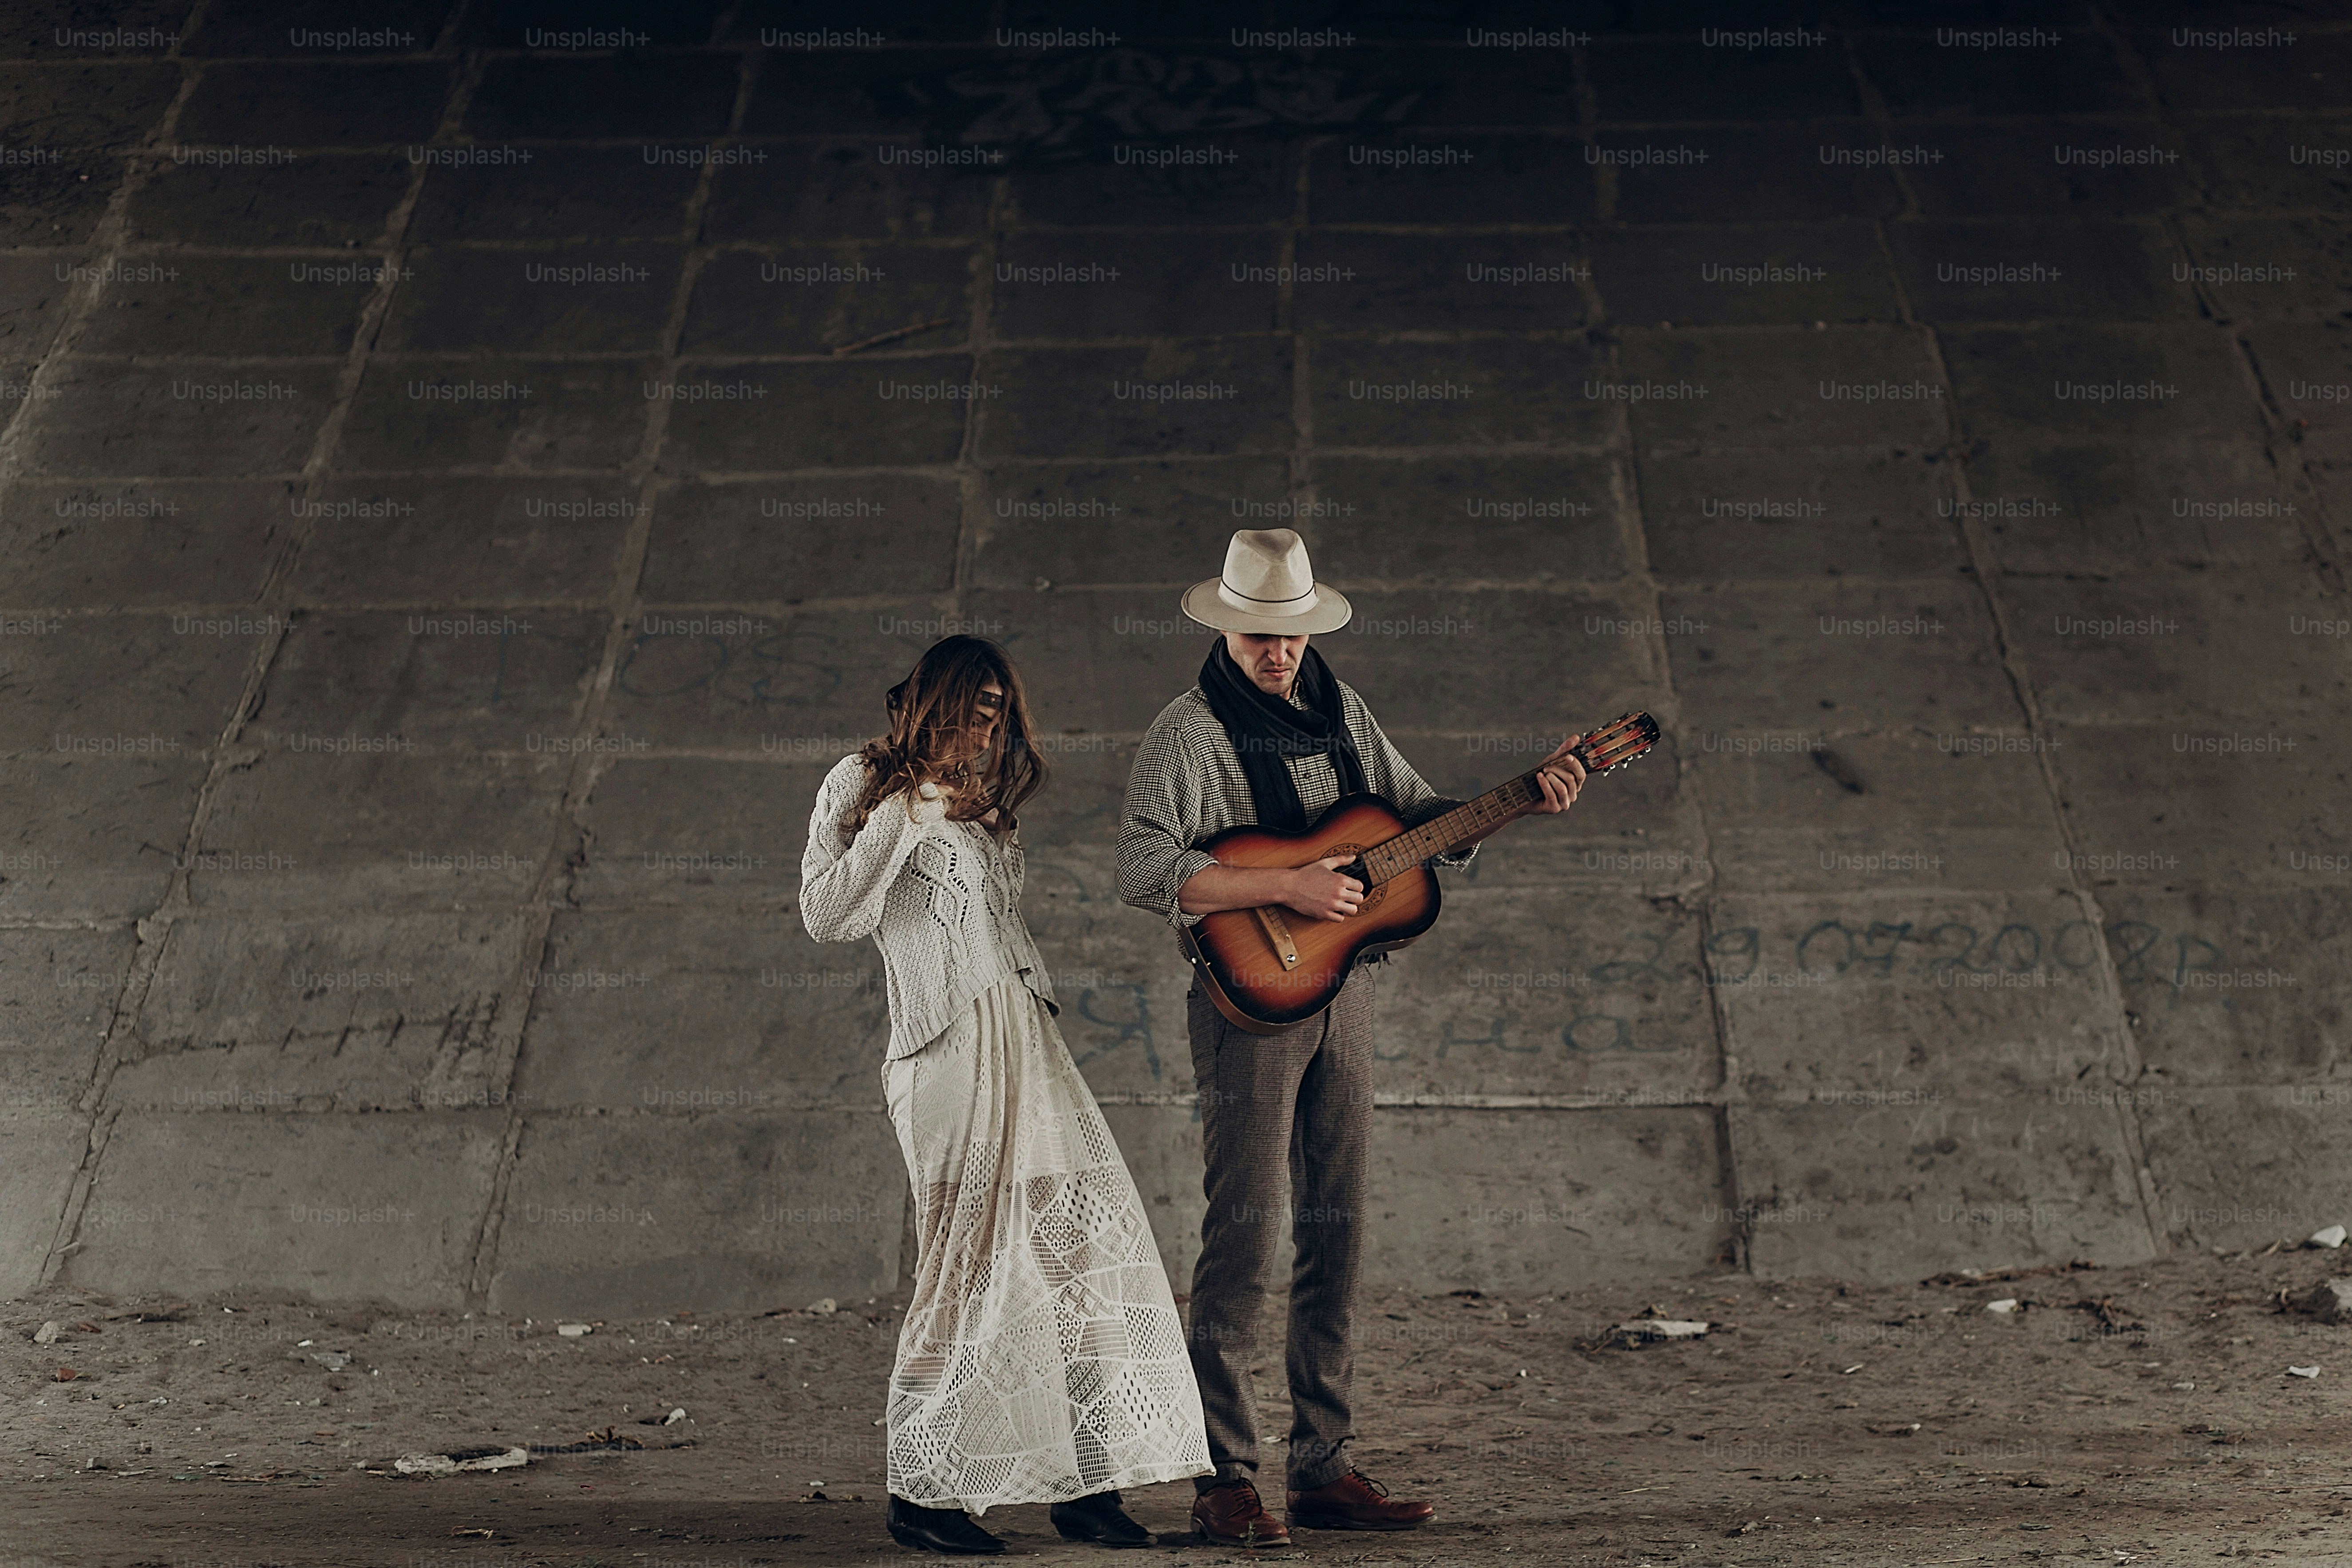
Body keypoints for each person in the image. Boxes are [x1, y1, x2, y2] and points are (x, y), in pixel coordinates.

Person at [1116, 530, 1586, 1545]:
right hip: (1246, 1005)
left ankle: (1321, 1467)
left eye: (1290, 632)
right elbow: (1143, 866)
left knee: (1338, 1227)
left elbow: (1419, 820)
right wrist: (1283, 883)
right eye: (1258, 633)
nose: (1277, 651)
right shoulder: (1187, 732)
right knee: (1245, 1232)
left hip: (1348, 992)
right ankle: (1221, 1479)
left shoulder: (1342, 713)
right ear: (1225, 627)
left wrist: (1522, 797)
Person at [801, 635, 1212, 1555]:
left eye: (1001, 716)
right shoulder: (865, 783)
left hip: (1026, 1035)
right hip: (947, 1054)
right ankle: (922, 1493)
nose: (990, 732)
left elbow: (994, 930)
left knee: (1079, 1247)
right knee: (968, 1264)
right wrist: (908, 808)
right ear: (939, 699)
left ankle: (1087, 1484)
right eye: (978, 710)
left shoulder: (983, 805)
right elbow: (827, 914)